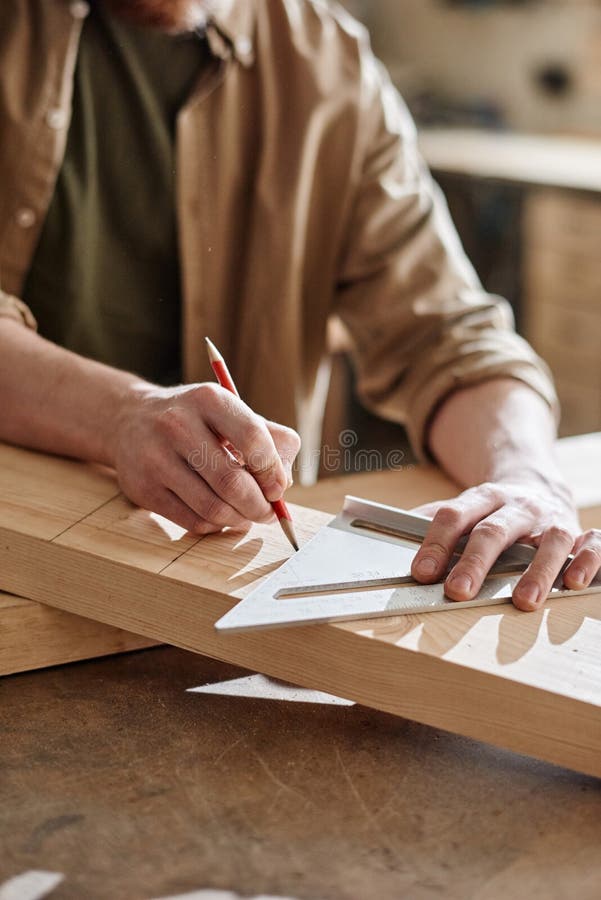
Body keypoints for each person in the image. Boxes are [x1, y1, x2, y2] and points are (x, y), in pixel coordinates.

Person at [0, 0, 598, 610]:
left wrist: (527, 476)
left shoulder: (328, 64)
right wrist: (118, 416)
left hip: (231, 579)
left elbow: (447, 336)